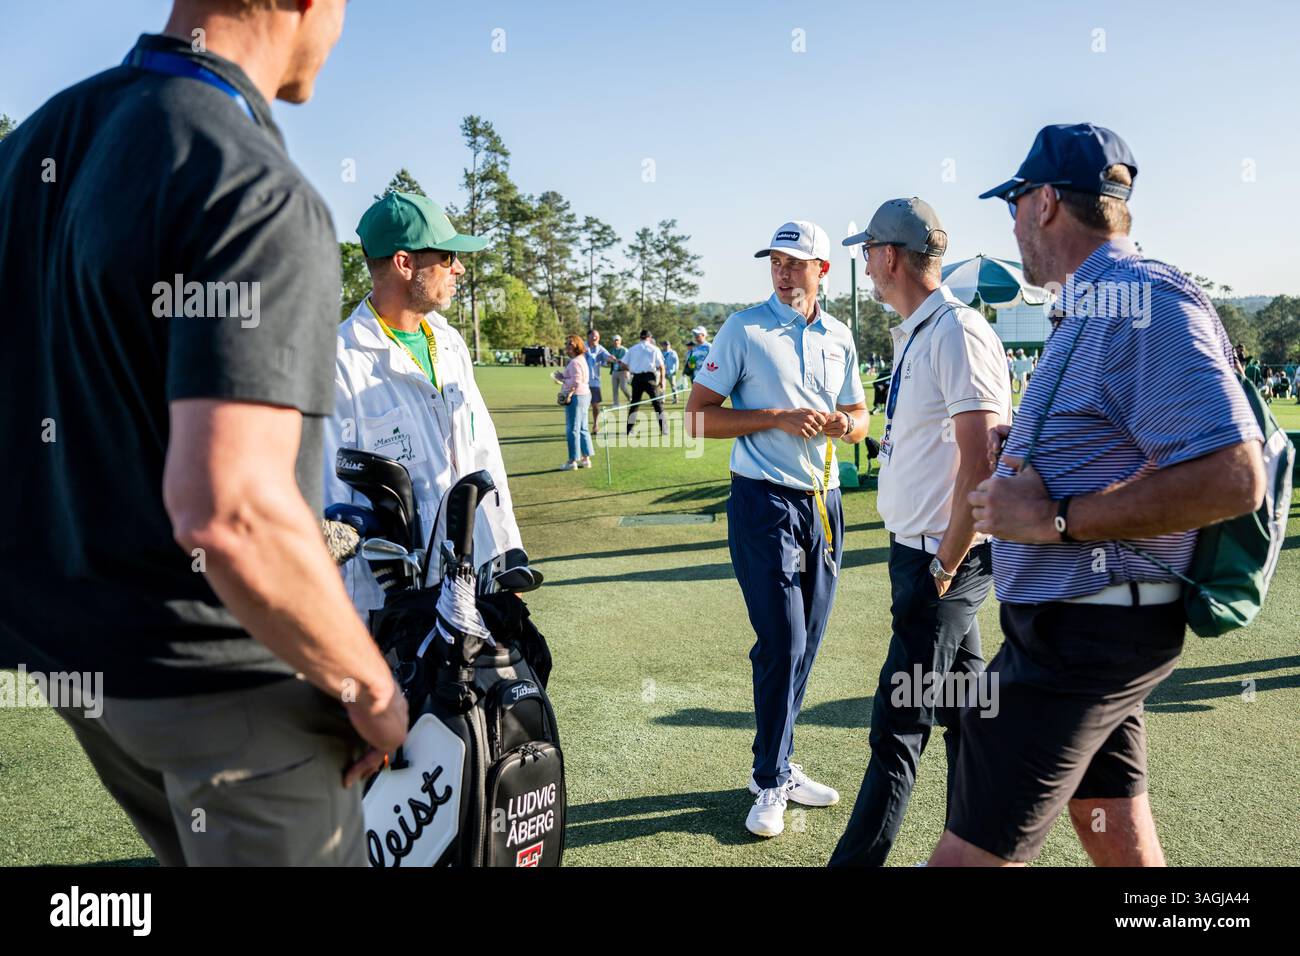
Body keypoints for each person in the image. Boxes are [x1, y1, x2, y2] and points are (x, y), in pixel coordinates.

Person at [0, 0, 406, 866]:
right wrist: (366, 684)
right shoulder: (251, 181)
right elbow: (231, 511)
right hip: (223, 675)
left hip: (71, 655)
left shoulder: (37, 139)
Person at [929, 123, 1264, 867]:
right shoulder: (1095, 302)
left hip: (1082, 638)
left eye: (1014, 204)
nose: (1011, 223)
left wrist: (1055, 517)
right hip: (1086, 628)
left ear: (1045, 201)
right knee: (1115, 831)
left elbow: (1235, 475)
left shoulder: (1136, 298)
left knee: (966, 856)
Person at [829, 199, 1012, 867]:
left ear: (891, 256)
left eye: (868, 252)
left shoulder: (956, 332)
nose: (866, 265)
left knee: (897, 731)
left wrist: (941, 566)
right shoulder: (921, 331)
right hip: (927, 556)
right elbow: (939, 445)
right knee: (968, 718)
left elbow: (982, 460)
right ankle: (987, 847)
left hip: (944, 562)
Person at [687, 220, 870, 838]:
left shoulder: (841, 334)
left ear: (822, 269)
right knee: (784, 640)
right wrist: (778, 418)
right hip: (763, 503)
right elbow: (697, 420)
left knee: (809, 640)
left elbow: (860, 416)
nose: (783, 271)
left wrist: (846, 428)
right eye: (776, 262)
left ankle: (782, 762)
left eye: (795, 263)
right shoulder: (743, 328)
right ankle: (768, 779)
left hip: (826, 502)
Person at [324, 191, 527, 620]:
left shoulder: (450, 343)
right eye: (448, 256)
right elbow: (332, 507)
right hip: (388, 613)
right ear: (404, 262)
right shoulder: (337, 361)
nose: (460, 268)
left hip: (475, 588)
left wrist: (509, 555)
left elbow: (485, 459)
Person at [557, 334, 594, 470]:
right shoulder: (580, 359)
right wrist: (563, 376)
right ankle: (586, 459)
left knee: (572, 429)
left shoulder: (575, 362)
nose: (567, 346)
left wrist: (564, 384)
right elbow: (576, 378)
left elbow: (576, 382)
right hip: (585, 394)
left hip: (577, 396)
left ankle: (572, 461)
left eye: (570, 344)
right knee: (583, 427)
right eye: (567, 343)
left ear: (576, 346)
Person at [624, 329, 668, 436]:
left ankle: (629, 430)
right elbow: (661, 366)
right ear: (649, 337)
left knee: (634, 404)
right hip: (650, 378)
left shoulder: (632, 349)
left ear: (640, 337)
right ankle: (664, 429)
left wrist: (631, 369)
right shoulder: (654, 349)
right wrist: (662, 380)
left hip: (637, 378)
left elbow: (623, 364)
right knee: (657, 404)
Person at [585, 329, 614, 431]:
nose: (595, 337)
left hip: (594, 381)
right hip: (581, 380)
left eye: (597, 336)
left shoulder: (600, 349)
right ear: (588, 337)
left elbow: (607, 356)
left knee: (595, 405)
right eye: (593, 336)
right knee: (581, 406)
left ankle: (595, 425)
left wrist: (612, 358)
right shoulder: (582, 347)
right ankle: (581, 426)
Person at [608, 334, 632, 410]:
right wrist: (610, 360)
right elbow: (609, 360)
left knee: (623, 387)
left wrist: (627, 371)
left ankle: (630, 398)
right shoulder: (611, 350)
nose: (616, 342)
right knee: (614, 388)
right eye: (614, 340)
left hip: (623, 371)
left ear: (620, 341)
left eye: (617, 340)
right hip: (614, 371)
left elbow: (628, 361)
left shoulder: (624, 350)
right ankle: (616, 403)